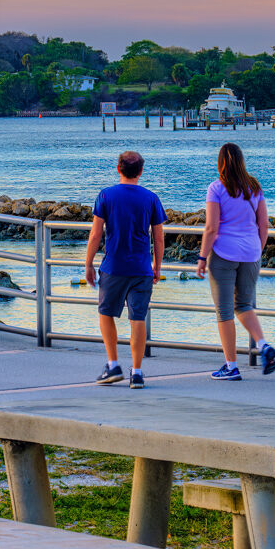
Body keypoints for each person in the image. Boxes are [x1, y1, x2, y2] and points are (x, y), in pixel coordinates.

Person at [83, 149, 166, 387]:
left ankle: (113, 365)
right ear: (140, 172)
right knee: (137, 318)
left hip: (113, 266)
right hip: (142, 268)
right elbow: (159, 239)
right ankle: (137, 372)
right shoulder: (151, 198)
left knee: (106, 313)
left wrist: (88, 263)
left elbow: (96, 234)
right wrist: (157, 266)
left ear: (118, 169)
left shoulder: (106, 196)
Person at [195, 141, 275, 379]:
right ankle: (263, 345)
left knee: (224, 312)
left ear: (220, 162)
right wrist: (257, 250)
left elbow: (211, 228)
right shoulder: (254, 187)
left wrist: (201, 257)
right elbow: (264, 225)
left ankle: (231, 367)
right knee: (244, 305)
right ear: (241, 161)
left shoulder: (216, 188)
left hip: (223, 254)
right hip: (251, 253)